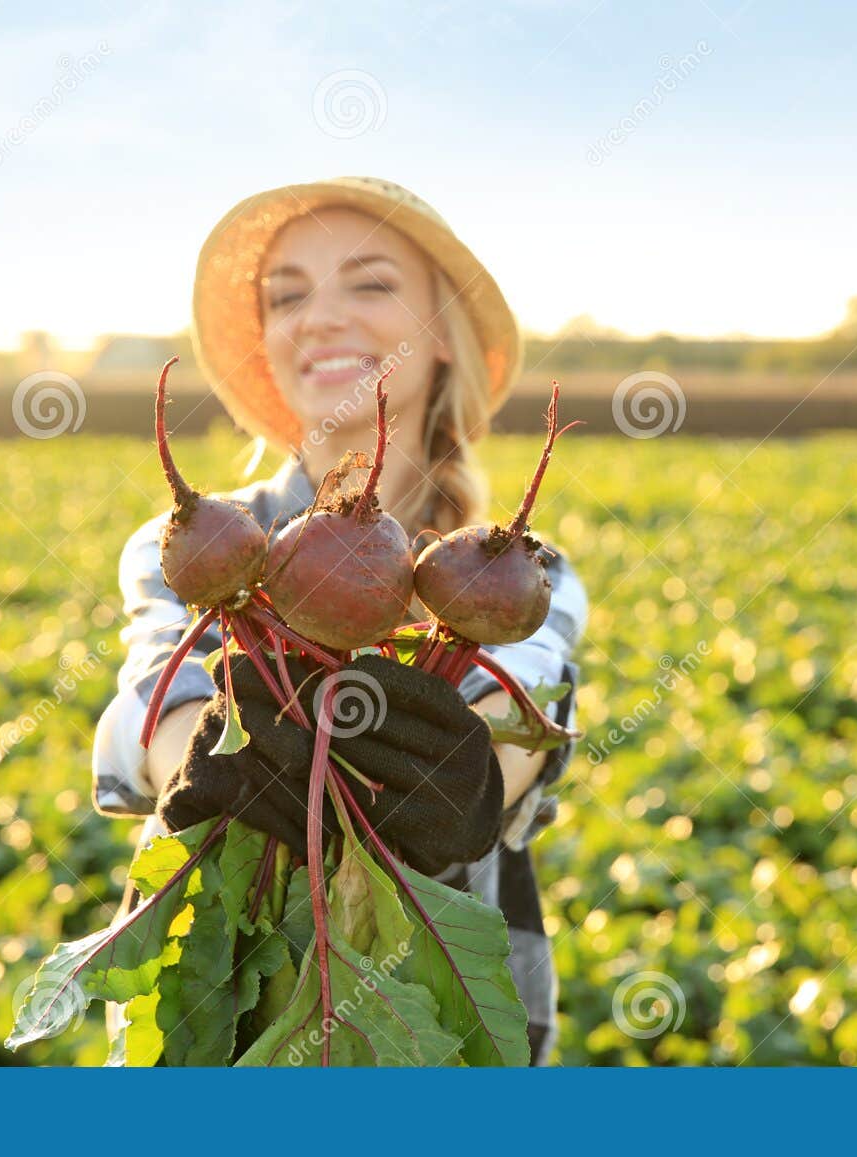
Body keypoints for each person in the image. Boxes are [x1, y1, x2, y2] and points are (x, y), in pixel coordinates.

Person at [89, 177, 587, 1065]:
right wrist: (205, 764)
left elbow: (531, 708)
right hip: (211, 1006)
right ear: (269, 348)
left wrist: (472, 783)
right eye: (287, 296)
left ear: (446, 335)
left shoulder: (527, 566)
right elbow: (155, 695)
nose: (319, 318)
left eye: (370, 283)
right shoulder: (191, 542)